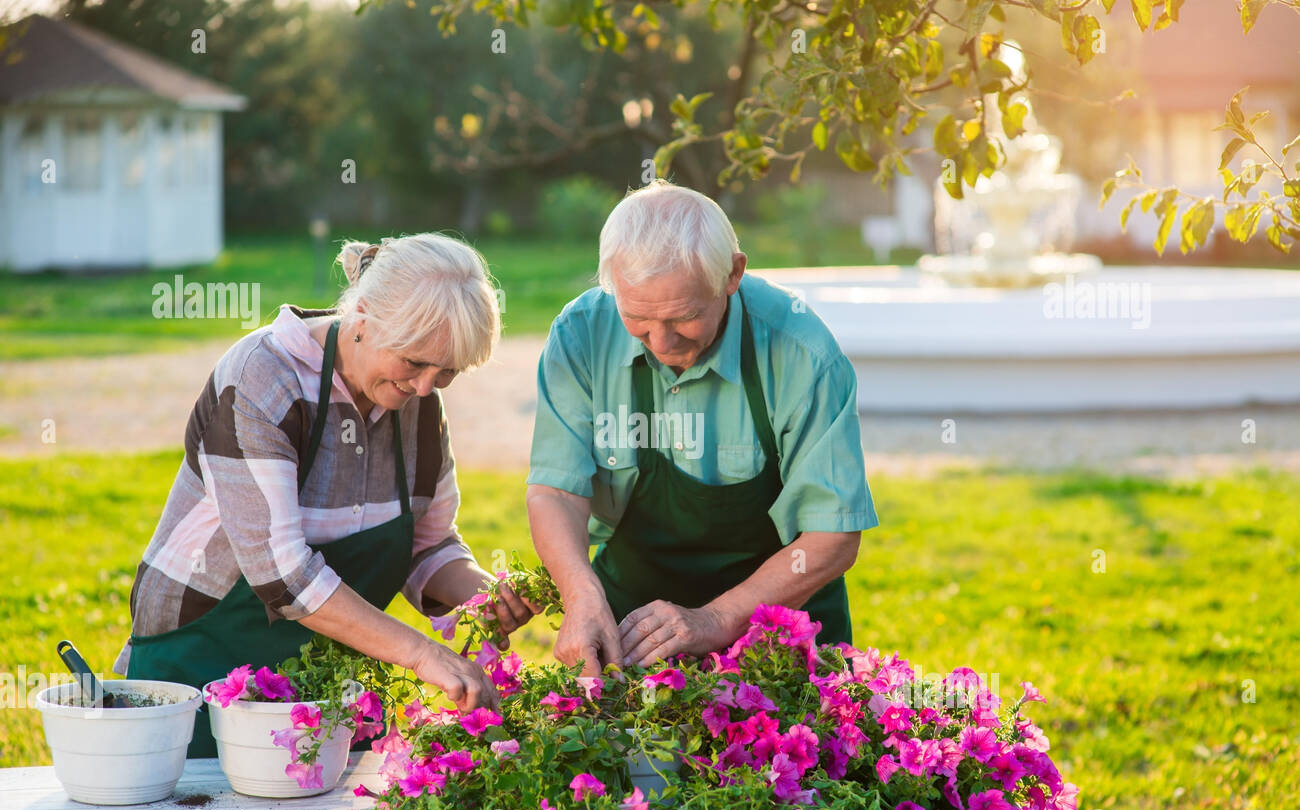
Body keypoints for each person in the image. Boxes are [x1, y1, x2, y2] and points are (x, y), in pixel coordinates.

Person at [117, 233, 541, 757]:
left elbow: (428, 545)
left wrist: (482, 595)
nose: (426, 389)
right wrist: (421, 654)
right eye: (413, 362)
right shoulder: (262, 378)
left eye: (447, 372)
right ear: (361, 316)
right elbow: (284, 577)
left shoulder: (418, 400)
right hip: (202, 661)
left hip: (327, 674)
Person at [526, 179, 878, 677]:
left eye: (684, 317)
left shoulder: (802, 352)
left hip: (778, 634)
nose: (661, 341)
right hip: (631, 630)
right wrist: (582, 597)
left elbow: (833, 533)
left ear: (733, 273)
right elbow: (556, 492)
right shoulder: (580, 334)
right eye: (638, 318)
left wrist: (715, 619)